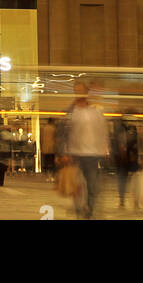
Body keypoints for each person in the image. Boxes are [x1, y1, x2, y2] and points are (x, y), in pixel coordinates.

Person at [61, 83, 109, 219]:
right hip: (75, 154)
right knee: (76, 187)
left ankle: (89, 211)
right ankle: (79, 213)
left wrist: (104, 148)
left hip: (93, 154)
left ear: (87, 92)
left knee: (92, 187)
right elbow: (64, 133)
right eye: (76, 91)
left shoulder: (95, 111)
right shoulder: (71, 112)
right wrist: (65, 152)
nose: (79, 93)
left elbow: (103, 132)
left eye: (81, 91)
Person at [112, 120, 139, 207]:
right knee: (125, 180)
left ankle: (124, 200)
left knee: (124, 180)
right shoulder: (118, 138)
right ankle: (124, 199)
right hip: (123, 162)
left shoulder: (119, 137)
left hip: (125, 161)